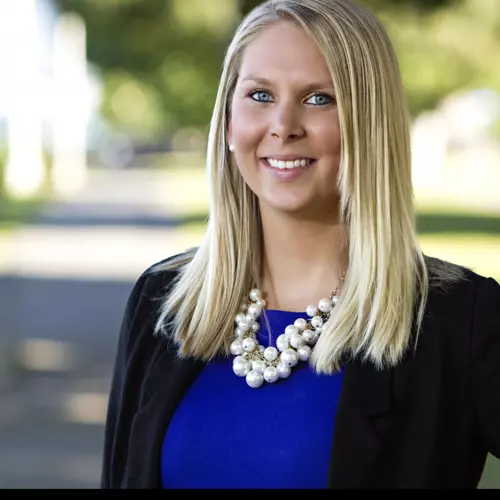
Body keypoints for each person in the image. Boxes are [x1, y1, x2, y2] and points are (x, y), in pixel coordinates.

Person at [100, 0, 500, 489]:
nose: (283, 125)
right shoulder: (162, 301)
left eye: (319, 99)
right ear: (228, 123)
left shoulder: (459, 320)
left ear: (369, 127)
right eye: (260, 95)